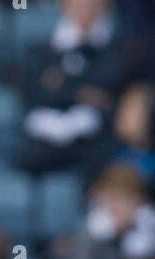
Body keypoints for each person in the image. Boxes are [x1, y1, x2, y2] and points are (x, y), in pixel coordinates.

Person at [18, 0, 125, 180]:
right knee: (29, 159)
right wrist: (80, 93)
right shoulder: (43, 48)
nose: (85, 10)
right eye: (78, 4)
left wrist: (62, 87)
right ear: (64, 6)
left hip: (95, 139)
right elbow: (36, 92)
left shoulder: (118, 49)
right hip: (47, 136)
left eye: (92, 5)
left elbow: (110, 93)